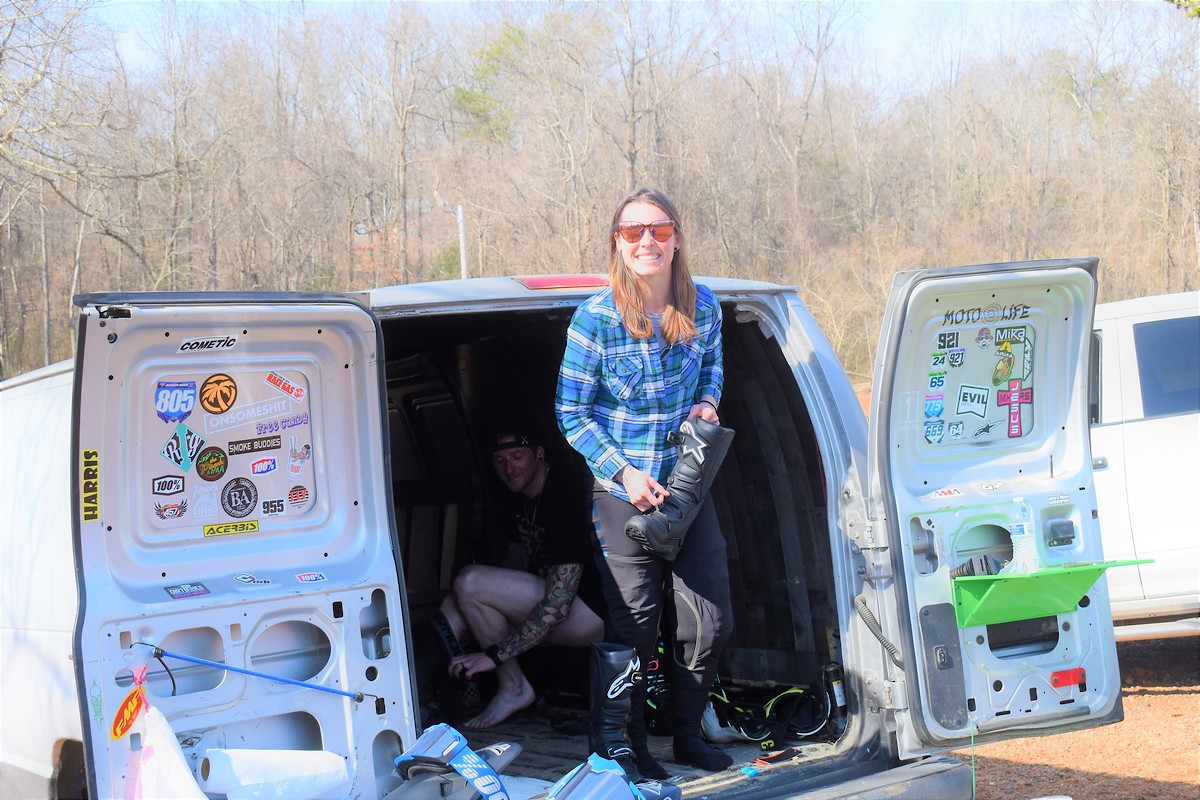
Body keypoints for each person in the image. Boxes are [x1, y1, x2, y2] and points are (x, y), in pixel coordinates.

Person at [556, 188, 734, 777]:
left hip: (686, 490)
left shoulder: (702, 305)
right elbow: (570, 413)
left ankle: (688, 736)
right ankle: (623, 747)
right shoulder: (596, 317)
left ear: (676, 237)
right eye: (633, 232)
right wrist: (623, 472)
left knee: (708, 619)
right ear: (618, 243)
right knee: (635, 627)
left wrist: (708, 401)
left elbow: (712, 368)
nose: (646, 242)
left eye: (657, 230)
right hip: (621, 492)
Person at [440, 427, 606, 730]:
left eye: (517, 456)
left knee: (470, 583)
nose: (509, 468)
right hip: (554, 603)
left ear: (539, 455)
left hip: (589, 613)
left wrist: (495, 656)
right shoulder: (519, 497)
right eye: (500, 460)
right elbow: (511, 571)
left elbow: (558, 604)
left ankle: (512, 686)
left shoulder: (561, 497)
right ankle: (435, 693)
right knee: (457, 601)